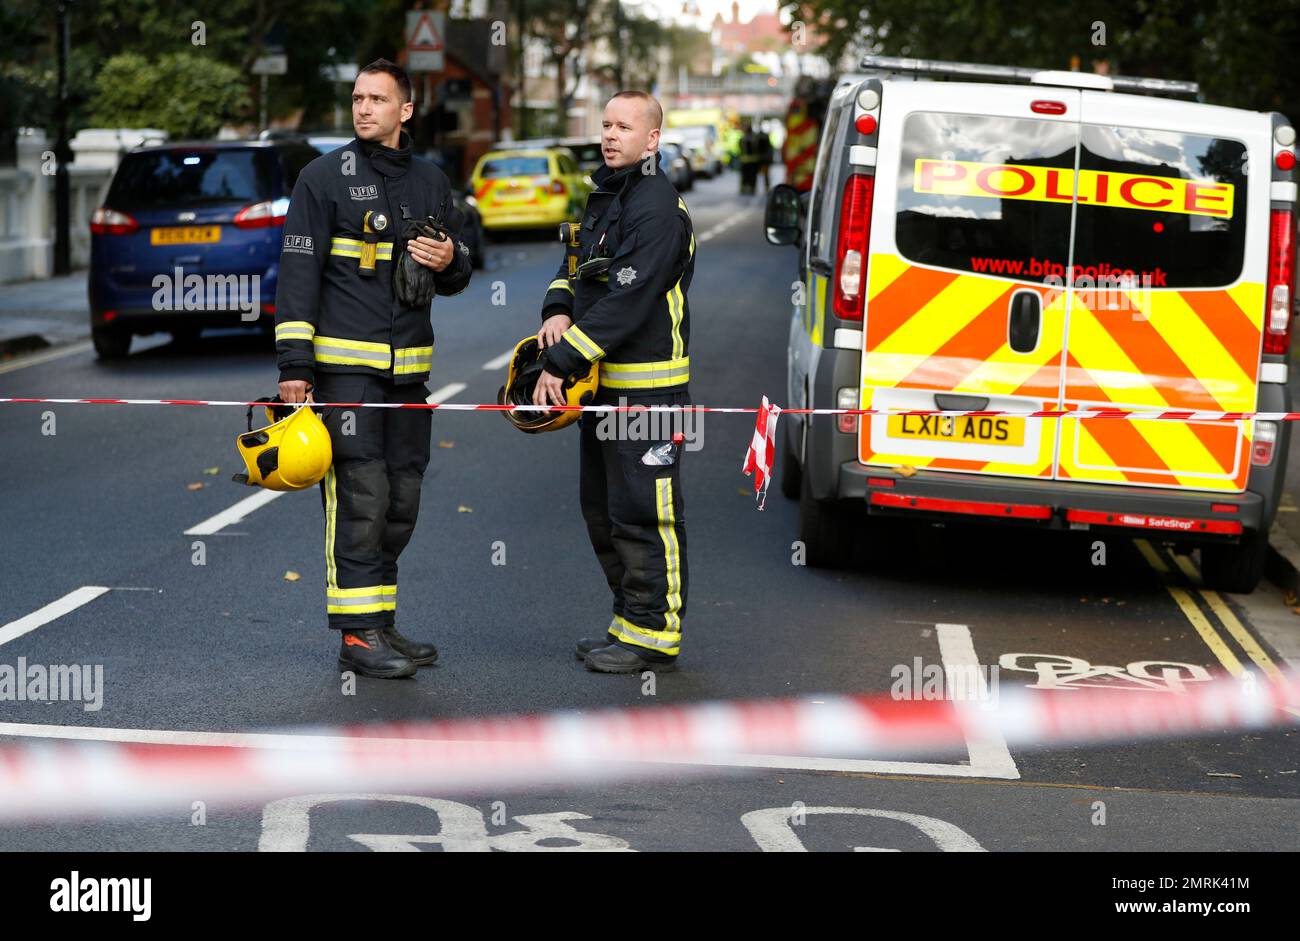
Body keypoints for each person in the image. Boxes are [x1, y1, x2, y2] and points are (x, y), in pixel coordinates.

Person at [274, 58, 473, 679]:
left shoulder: (431, 181)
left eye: (377, 99)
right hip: (345, 377)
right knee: (364, 500)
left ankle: (380, 620)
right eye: (357, 98)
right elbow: (298, 274)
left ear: (405, 110)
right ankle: (357, 637)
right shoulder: (321, 178)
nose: (363, 108)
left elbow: (460, 273)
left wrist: (449, 259)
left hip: (409, 377)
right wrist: (294, 366)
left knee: (402, 501)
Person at [534, 90, 695, 674]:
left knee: (646, 513)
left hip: (648, 392)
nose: (610, 136)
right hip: (603, 391)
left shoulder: (656, 206)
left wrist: (561, 362)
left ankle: (656, 634)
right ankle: (628, 624)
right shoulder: (606, 197)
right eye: (605, 125)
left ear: (651, 139)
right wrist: (556, 308)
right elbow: (573, 267)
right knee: (603, 511)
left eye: (624, 127)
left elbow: (628, 298)